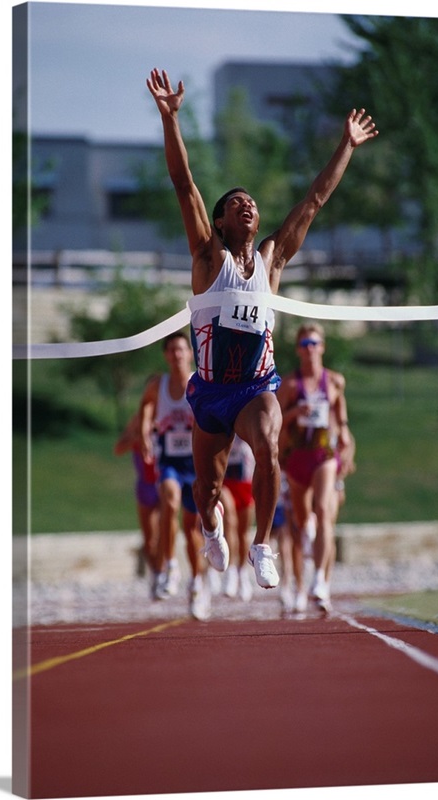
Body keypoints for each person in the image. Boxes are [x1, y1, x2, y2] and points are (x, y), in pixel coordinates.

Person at [146, 67, 378, 592]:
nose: (246, 205)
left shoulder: (272, 259)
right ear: (223, 223)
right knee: (206, 494)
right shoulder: (209, 257)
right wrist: (170, 119)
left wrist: (346, 143)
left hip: (256, 387)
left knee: (270, 445)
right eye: (234, 203)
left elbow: (315, 201)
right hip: (209, 394)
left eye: (250, 201)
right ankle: (211, 527)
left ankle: (262, 545)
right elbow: (183, 184)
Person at [277, 322, 355, 612]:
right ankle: (302, 580)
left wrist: (345, 433)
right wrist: (296, 412)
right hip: (297, 457)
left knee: (324, 510)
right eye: (305, 344)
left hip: (324, 455)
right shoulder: (289, 385)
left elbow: (340, 413)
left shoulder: (334, 381)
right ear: (298, 349)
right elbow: (277, 422)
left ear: (322, 347)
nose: (310, 349)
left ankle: (320, 580)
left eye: (315, 343)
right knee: (301, 522)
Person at [136, 330, 211, 620]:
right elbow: (145, 406)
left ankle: (197, 583)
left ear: (190, 354)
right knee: (169, 500)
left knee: (192, 529)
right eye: (172, 351)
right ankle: (170, 566)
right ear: (166, 356)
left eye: (182, 350)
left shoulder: (199, 383)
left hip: (196, 464)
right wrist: (145, 432)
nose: (177, 355)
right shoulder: (159, 385)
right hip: (168, 460)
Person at [114, 405, 160, 579]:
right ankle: (155, 572)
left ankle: (162, 573)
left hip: (166, 480)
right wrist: (137, 437)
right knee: (150, 537)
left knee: (165, 528)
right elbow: (118, 448)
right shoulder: (137, 421)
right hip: (146, 484)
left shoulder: (169, 415)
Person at [220, 434, 255, 601]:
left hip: (245, 481)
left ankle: (243, 573)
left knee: (243, 532)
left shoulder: (245, 420)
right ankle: (231, 571)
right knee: (230, 523)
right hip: (225, 481)